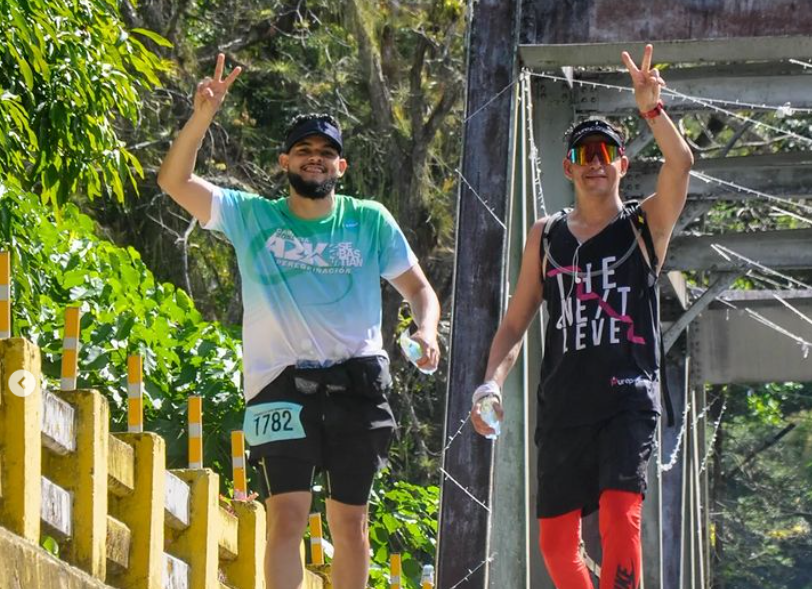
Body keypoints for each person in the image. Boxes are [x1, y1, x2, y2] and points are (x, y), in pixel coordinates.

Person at [158, 54, 441, 589]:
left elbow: (420, 290)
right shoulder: (252, 216)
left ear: (341, 168)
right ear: (284, 162)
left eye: (327, 153)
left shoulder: (369, 220)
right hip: (279, 386)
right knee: (286, 515)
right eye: (306, 151)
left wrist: (426, 330)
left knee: (351, 522)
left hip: (357, 382)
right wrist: (203, 114)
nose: (317, 160)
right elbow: (174, 180)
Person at [470, 44, 693, 589]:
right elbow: (514, 324)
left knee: (620, 518)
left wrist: (651, 108)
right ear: (568, 165)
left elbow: (682, 163)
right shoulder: (545, 236)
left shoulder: (646, 227)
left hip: (627, 399)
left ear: (623, 163)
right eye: (584, 152)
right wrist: (490, 385)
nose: (595, 160)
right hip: (565, 403)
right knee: (554, 543)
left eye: (605, 151)